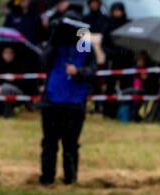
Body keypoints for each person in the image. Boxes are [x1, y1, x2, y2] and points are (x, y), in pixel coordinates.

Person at [39, 1, 96, 184]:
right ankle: (47, 178)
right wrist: (54, 39)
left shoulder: (83, 42)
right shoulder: (55, 43)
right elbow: (44, 62)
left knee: (70, 144)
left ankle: (70, 179)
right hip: (53, 100)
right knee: (50, 143)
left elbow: (91, 69)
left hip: (74, 101)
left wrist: (78, 72)